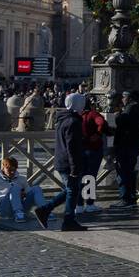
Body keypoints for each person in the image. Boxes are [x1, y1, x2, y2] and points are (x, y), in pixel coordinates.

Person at [0, 156, 60, 228]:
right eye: (9, 170)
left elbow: (30, 194)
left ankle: (45, 211)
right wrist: (10, 196)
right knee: (15, 188)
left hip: (22, 209)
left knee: (36, 188)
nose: (12, 172)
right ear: (3, 167)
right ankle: (18, 213)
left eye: (14, 169)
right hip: (4, 210)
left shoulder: (22, 179)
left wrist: (24, 195)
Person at [53, 94, 89, 232]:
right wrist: (75, 168)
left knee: (71, 190)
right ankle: (68, 220)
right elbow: (72, 148)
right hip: (69, 163)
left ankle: (46, 210)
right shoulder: (73, 122)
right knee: (72, 191)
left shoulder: (62, 119)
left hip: (61, 160)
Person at [112, 91, 139, 206]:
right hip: (135, 144)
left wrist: (117, 116)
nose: (122, 99)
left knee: (123, 171)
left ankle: (125, 198)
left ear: (129, 98)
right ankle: (131, 197)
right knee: (131, 171)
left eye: (123, 97)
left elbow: (122, 123)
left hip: (125, 144)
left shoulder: (130, 109)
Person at [80, 98, 109, 214]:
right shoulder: (93, 114)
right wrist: (97, 134)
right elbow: (101, 122)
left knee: (81, 178)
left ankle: (79, 205)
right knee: (90, 178)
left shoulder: (79, 115)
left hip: (81, 150)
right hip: (93, 150)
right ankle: (90, 204)